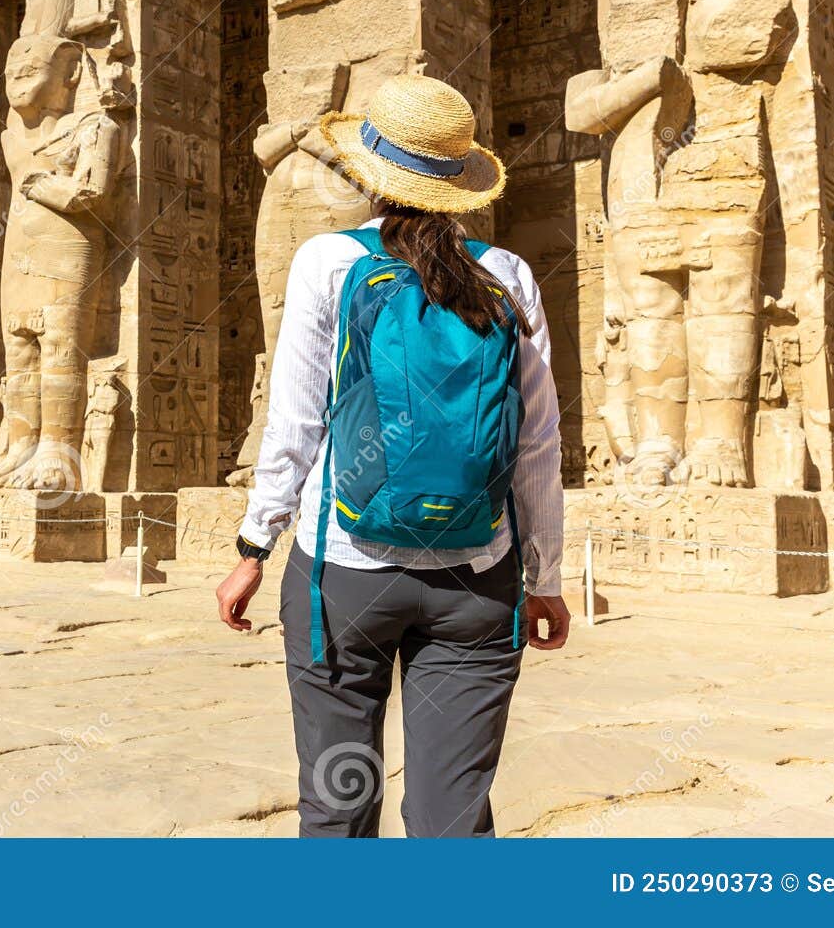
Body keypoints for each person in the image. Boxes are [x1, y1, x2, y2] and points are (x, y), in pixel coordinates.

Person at [216, 73, 569, 838]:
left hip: (344, 570)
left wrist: (254, 545)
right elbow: (538, 444)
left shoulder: (327, 261)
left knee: (339, 807)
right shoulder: (507, 276)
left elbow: (296, 422)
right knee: (451, 820)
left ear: (371, 172)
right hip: (477, 578)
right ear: (460, 181)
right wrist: (544, 578)